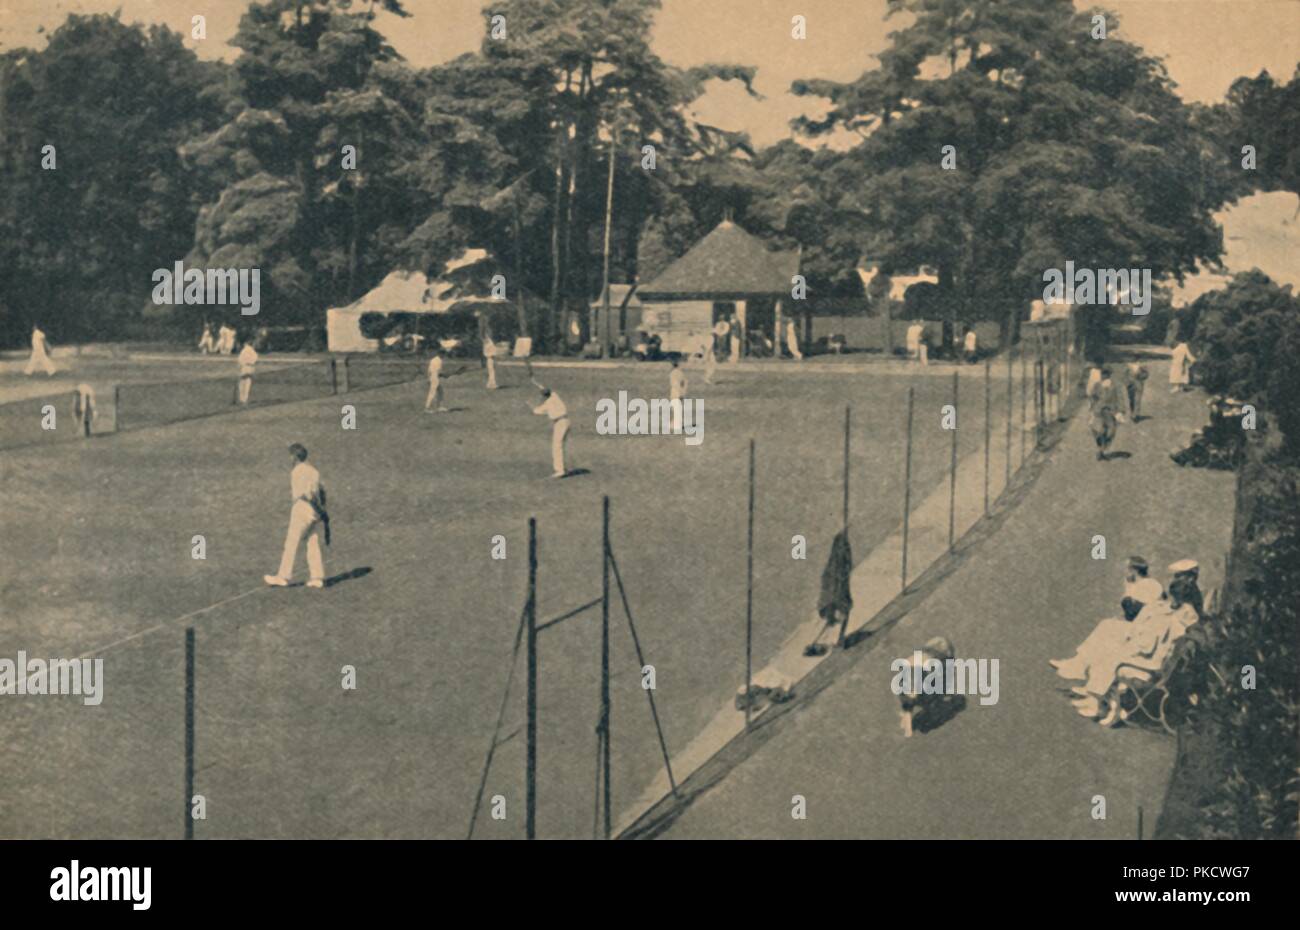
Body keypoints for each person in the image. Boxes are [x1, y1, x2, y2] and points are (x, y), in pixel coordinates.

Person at [1061, 577, 1200, 723]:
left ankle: (1098, 705)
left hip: (1151, 667)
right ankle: (1095, 695)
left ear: (1177, 598)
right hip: (1159, 663)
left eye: (1172, 598)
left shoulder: (1169, 620)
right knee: (1114, 653)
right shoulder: (1187, 617)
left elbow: (1147, 647)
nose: (1169, 602)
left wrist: (1132, 644)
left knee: (1111, 657)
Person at [264, 443, 329, 589]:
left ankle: (283, 576)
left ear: (294, 456)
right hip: (314, 512)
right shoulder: (314, 471)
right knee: (312, 541)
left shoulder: (297, 472)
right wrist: (322, 510)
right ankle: (317, 577)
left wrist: (314, 506)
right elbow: (322, 491)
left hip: (302, 509)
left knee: (291, 542)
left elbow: (308, 495)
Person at [530, 386, 569, 478]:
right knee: (560, 446)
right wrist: (541, 387)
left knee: (557, 446)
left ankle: (560, 470)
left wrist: (532, 406)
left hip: (559, 424)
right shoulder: (555, 396)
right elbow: (546, 389)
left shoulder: (547, 404)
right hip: (566, 421)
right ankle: (563, 468)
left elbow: (536, 411)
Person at [1086, 366, 1123, 460]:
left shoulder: (1115, 385)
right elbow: (1092, 396)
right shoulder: (1097, 385)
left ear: (1109, 375)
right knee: (1098, 431)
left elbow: (1120, 398)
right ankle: (1100, 449)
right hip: (1099, 411)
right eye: (1102, 373)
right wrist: (1091, 407)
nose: (1104, 375)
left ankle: (1104, 447)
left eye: (1106, 374)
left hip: (1111, 411)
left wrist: (1120, 411)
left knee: (1111, 431)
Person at [1121, 556, 1165, 622]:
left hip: (1148, 624)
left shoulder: (1148, 584)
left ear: (1134, 571)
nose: (1124, 571)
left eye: (1126, 568)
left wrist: (1128, 592)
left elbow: (1132, 614)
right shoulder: (1138, 584)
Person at [424, 348, 447, 413]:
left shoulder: (433, 360)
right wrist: (445, 375)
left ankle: (439, 407)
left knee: (441, 391)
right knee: (432, 393)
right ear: (441, 354)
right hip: (435, 378)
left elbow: (429, 371)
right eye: (443, 355)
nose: (444, 356)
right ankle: (427, 408)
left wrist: (428, 378)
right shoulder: (439, 361)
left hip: (431, 377)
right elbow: (439, 372)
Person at [237, 339, 258, 405]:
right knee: (247, 383)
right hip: (250, 367)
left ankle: (241, 398)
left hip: (244, 367)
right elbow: (255, 359)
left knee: (242, 383)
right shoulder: (253, 351)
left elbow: (240, 359)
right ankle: (244, 399)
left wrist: (240, 366)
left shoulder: (244, 350)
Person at [669, 359, 687, 433]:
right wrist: (683, 392)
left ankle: (676, 423)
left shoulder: (672, 373)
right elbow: (684, 382)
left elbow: (674, 384)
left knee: (675, 407)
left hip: (675, 391)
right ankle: (676, 422)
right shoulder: (681, 373)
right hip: (680, 391)